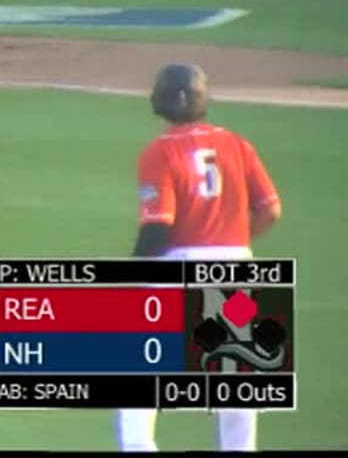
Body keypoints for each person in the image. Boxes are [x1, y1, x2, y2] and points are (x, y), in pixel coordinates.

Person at [116, 63, 282, 452]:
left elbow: (158, 228)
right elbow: (271, 210)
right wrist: (233, 239)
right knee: (237, 370)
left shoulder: (159, 151)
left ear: (159, 100)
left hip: (179, 264)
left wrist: (131, 274)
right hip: (236, 261)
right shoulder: (237, 144)